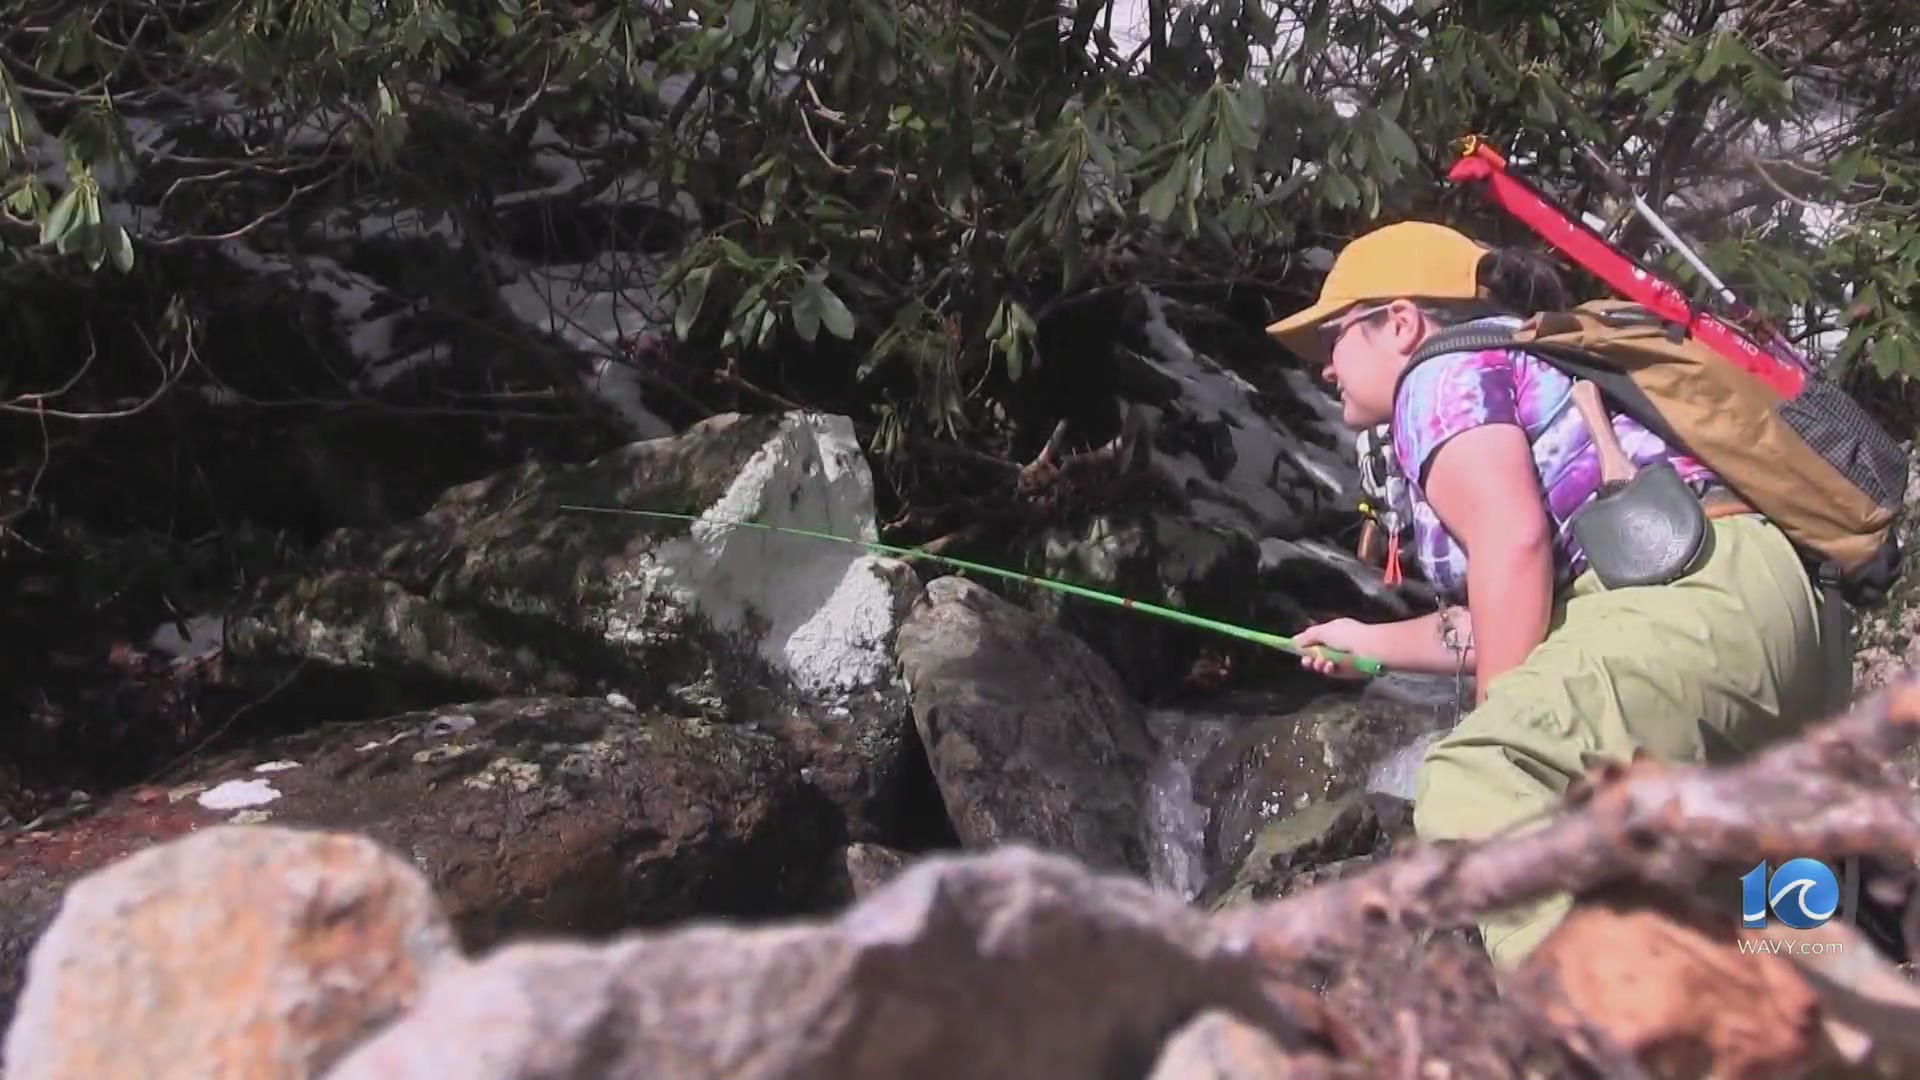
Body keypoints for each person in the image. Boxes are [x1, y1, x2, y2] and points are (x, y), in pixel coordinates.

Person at [1262, 220, 1853, 971]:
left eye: (1333, 336)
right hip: (1783, 621)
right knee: (1729, 918)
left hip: (1680, 609)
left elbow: (1514, 547)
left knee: (1479, 777)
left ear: (1401, 323)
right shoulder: (1540, 359)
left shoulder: (1437, 376)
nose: (1324, 366)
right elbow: (1518, 602)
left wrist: (1499, 722)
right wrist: (1368, 641)